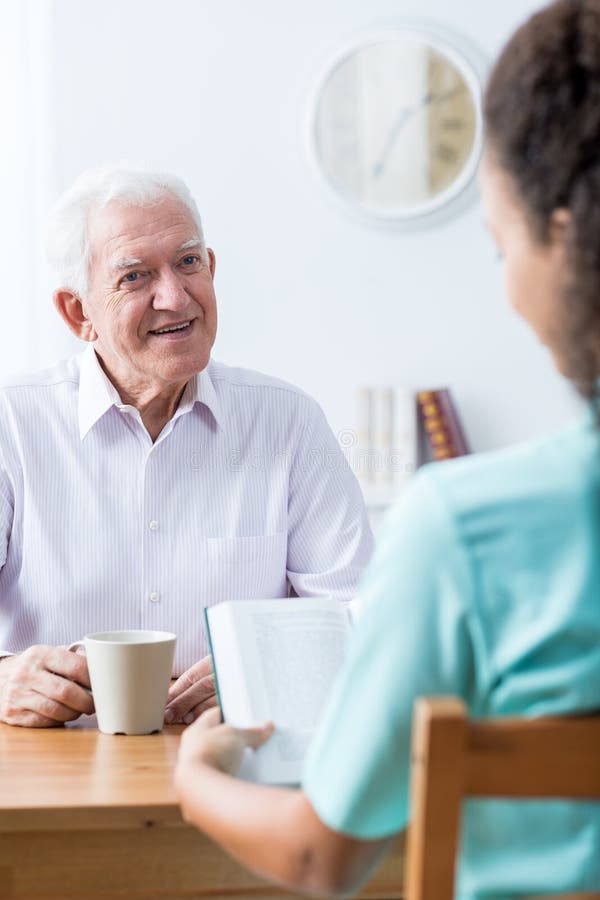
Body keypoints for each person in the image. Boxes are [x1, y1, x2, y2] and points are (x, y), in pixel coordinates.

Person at [173, 1, 600, 896]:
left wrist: (195, 777)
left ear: (562, 243)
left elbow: (320, 855)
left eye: (497, 245)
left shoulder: (467, 531)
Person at [0, 165, 372, 728]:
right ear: (78, 313)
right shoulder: (12, 422)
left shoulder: (288, 421)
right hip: (51, 770)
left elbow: (358, 618)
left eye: (188, 262)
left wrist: (263, 674)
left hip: (240, 761)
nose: (174, 297)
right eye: (134, 277)